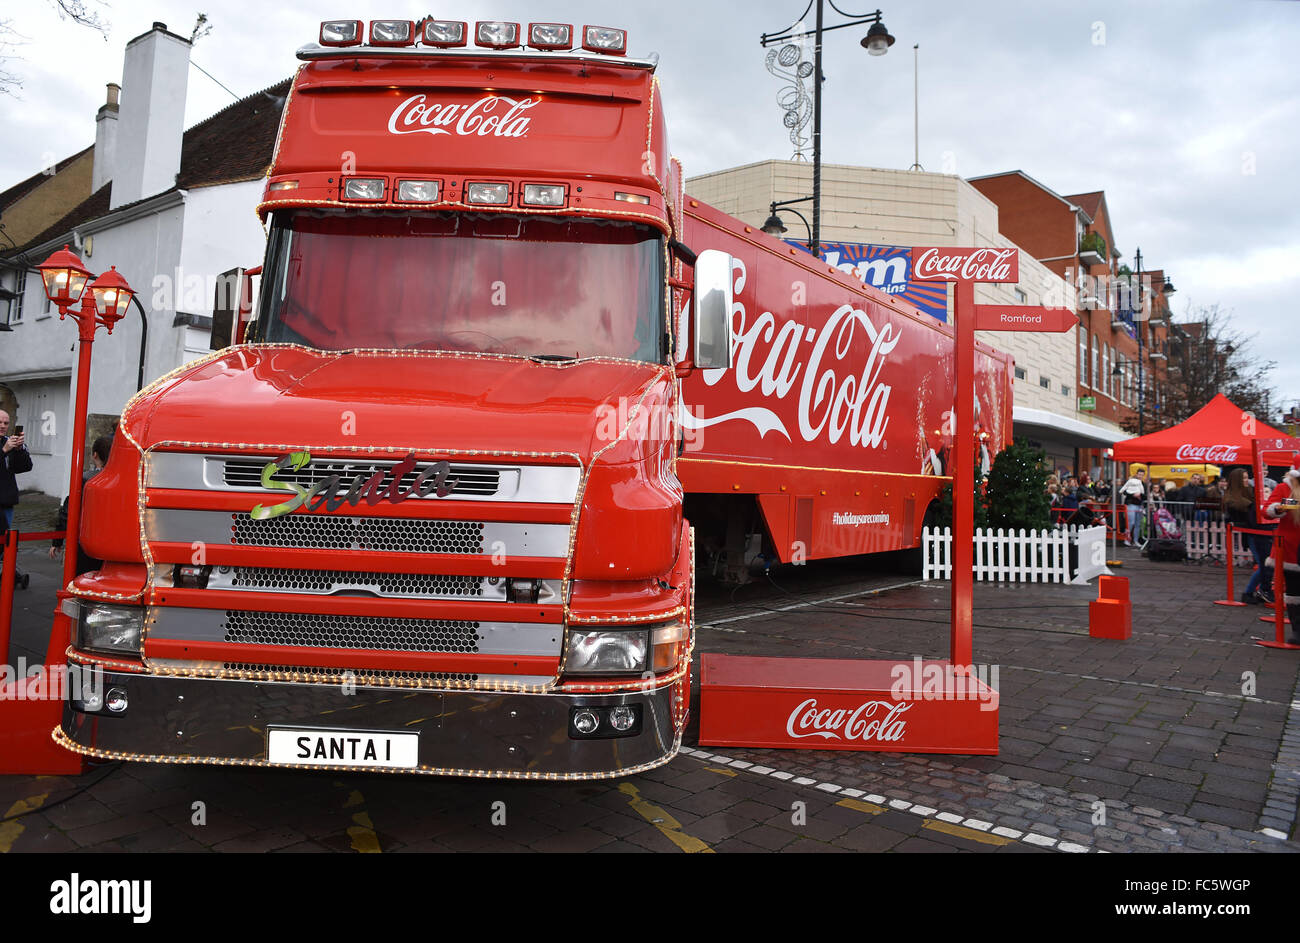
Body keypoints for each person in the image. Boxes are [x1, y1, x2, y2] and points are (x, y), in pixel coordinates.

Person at [50, 435, 111, 575]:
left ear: (95, 455)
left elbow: (68, 511)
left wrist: (57, 540)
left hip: (86, 540)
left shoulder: (86, 479)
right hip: (112, 541)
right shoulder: (123, 479)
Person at [1262, 469, 1300, 642]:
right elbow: (1266, 511)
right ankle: (1297, 630)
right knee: (1293, 590)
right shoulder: (1284, 488)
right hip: (1292, 547)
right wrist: (1279, 508)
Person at [1224, 468, 1272, 604]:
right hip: (1253, 533)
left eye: (1247, 477)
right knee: (1264, 565)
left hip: (1261, 530)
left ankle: (1257, 591)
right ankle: (1253, 591)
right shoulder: (1234, 499)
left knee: (1266, 564)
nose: (1247, 480)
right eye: (1244, 478)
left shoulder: (1250, 492)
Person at [0, 410, 32, 530]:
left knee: (5, 542)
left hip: (6, 501)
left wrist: (19, 450)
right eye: (0, 422)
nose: (3, 426)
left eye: (6, 423)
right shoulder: (7, 445)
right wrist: (3, 451)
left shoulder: (9, 441)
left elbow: (25, 467)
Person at [1119, 467, 1147, 546]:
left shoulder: (1144, 484)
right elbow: (1124, 491)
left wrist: (1140, 495)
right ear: (1137, 474)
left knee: (1138, 524)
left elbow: (1145, 496)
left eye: (1142, 475)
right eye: (1139, 474)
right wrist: (1132, 495)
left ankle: (1135, 540)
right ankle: (1127, 539)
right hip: (1131, 504)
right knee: (1131, 523)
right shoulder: (1131, 482)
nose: (1140, 476)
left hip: (1139, 505)